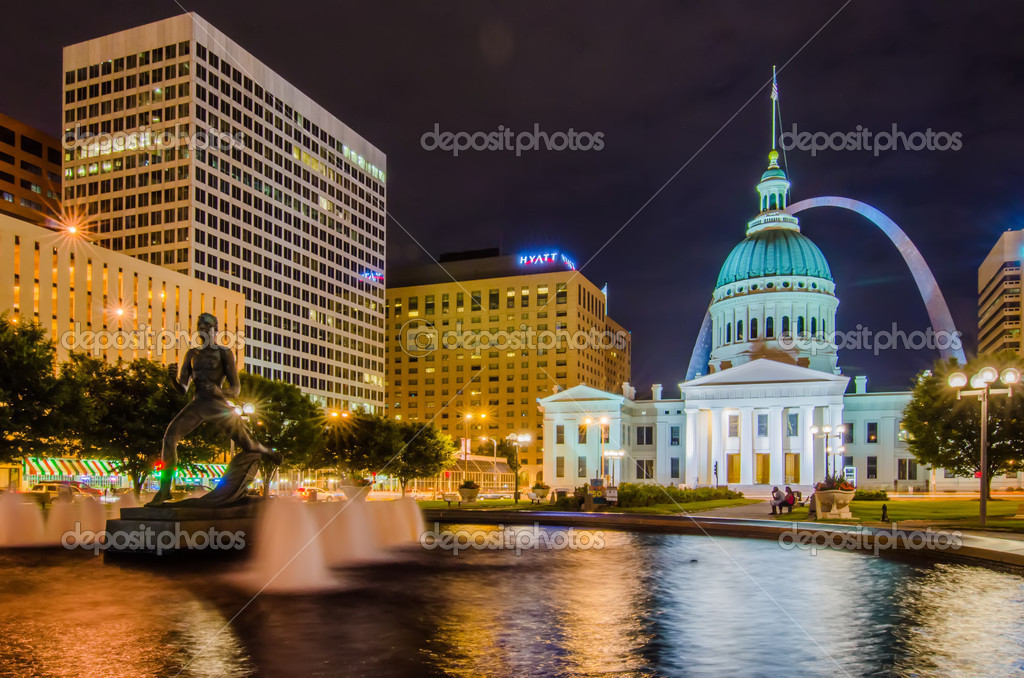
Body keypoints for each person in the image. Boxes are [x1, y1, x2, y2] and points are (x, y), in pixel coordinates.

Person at [146, 313, 281, 507]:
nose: (202, 328)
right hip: (198, 404)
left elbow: (236, 389)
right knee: (169, 438)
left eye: (207, 325)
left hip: (218, 405)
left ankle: (268, 451)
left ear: (215, 329)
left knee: (249, 446)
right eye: (200, 325)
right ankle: (164, 491)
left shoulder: (224, 352)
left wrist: (220, 390)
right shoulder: (192, 354)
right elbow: (183, 389)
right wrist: (172, 379)